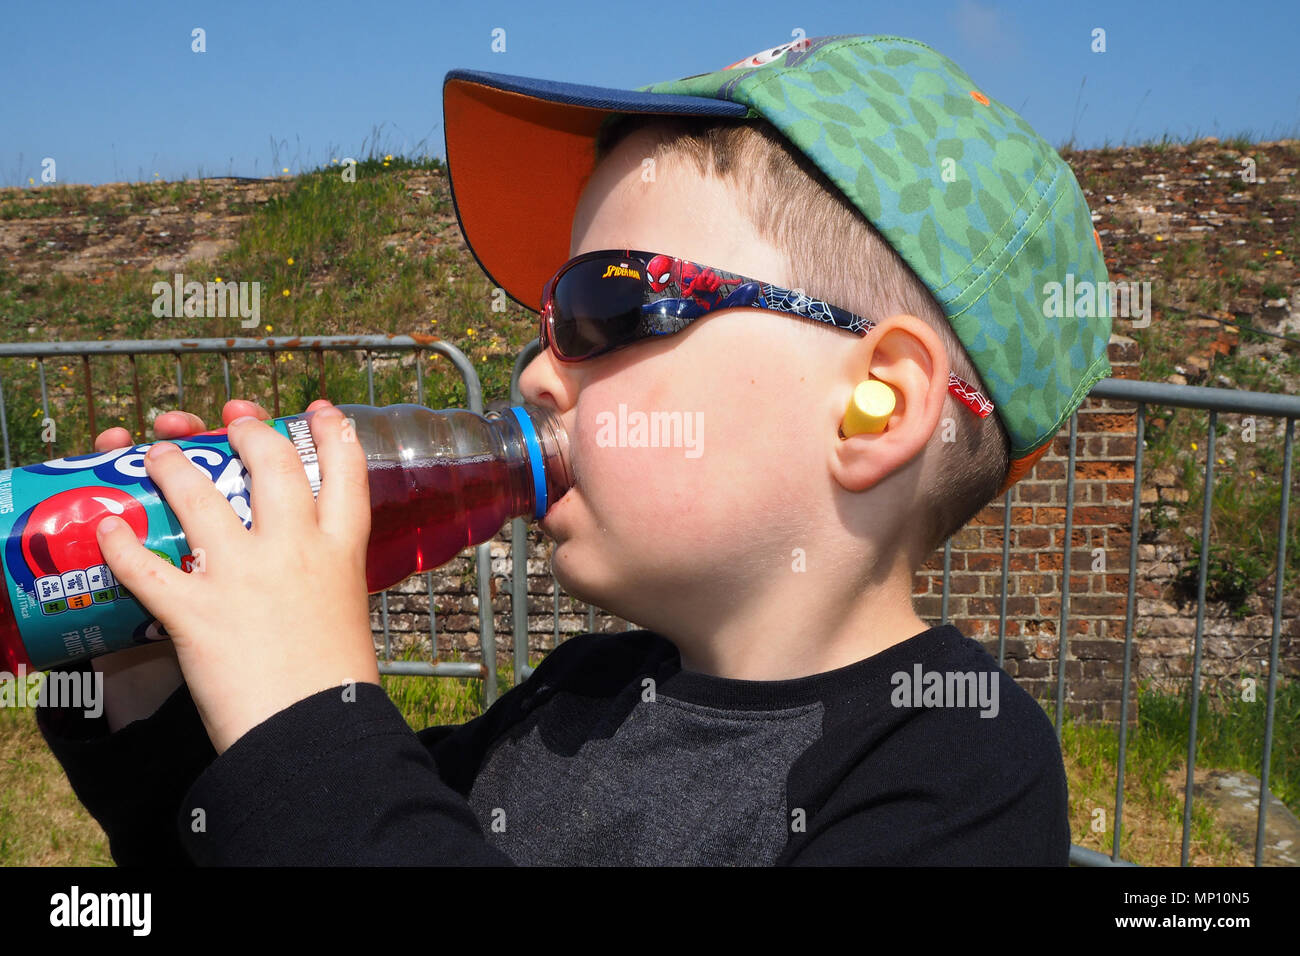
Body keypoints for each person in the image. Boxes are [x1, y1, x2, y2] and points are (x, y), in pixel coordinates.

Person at [38, 34, 1112, 865]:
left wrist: (312, 723)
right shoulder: (583, 692)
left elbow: (345, 819)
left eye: (605, 304)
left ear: (874, 403)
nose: (538, 372)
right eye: (541, 319)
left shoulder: (959, 763)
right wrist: (162, 692)